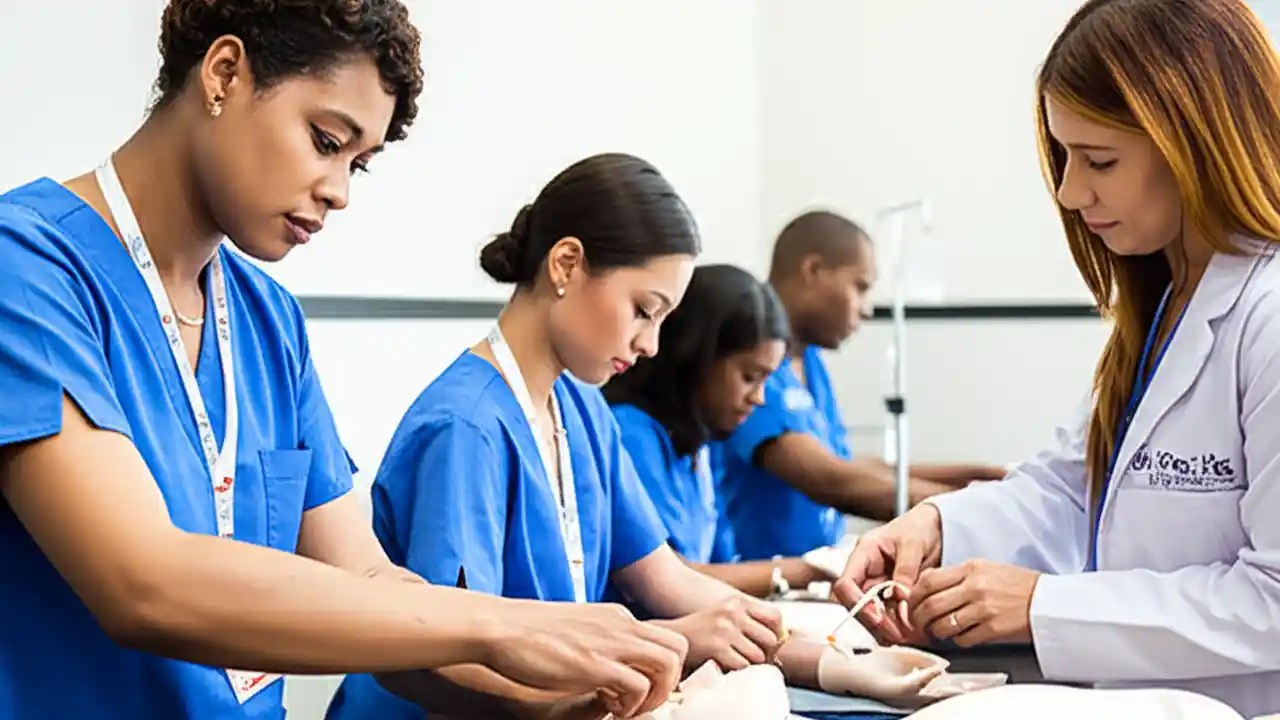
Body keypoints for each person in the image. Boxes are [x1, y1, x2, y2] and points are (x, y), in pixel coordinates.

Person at [0, 4, 688, 719]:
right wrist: (504, 623)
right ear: (225, 73)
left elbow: (365, 581)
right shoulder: (28, 268)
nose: (340, 192)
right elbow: (143, 582)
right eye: (326, 141)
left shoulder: (268, 321)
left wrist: (566, 698)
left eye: (358, 164)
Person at [833, 1, 1280, 717]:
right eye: (1064, 157)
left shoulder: (1268, 315)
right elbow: (1073, 490)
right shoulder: (1167, 304)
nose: (1071, 193)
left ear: (1195, 143)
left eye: (1099, 160)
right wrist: (937, 526)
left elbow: (1273, 601)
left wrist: (1044, 604)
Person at [714, 210, 1007, 561]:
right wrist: (973, 512)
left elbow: (847, 463)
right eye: (860, 287)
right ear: (813, 271)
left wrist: (978, 477)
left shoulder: (809, 363)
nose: (866, 309)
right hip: (764, 580)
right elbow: (832, 481)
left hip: (815, 570)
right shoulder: (755, 372)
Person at [602, 263, 833, 597]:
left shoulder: (700, 446)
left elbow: (722, 564)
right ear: (696, 358)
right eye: (749, 377)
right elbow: (670, 577)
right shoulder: (631, 435)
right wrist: (808, 570)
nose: (759, 398)